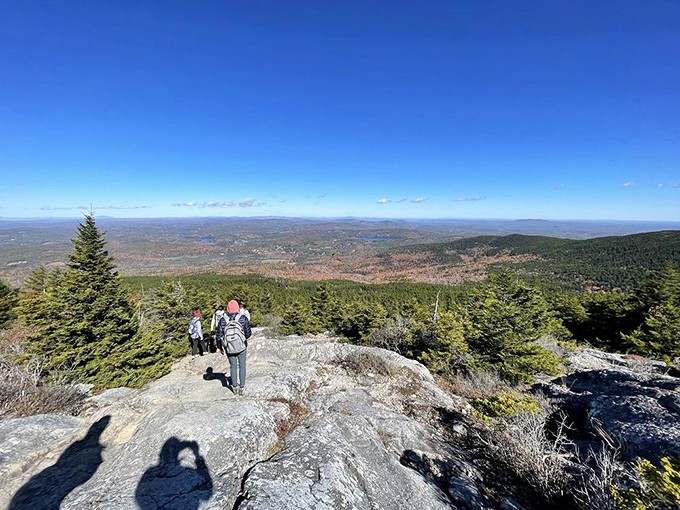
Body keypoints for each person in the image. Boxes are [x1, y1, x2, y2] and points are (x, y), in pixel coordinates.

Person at [217, 299, 251, 395]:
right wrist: (242, 339)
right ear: (238, 308)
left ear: (228, 309)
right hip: (241, 346)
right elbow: (248, 333)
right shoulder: (243, 318)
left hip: (229, 347)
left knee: (233, 366)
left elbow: (218, 335)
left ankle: (234, 387)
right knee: (242, 365)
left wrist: (220, 347)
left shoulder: (223, 320)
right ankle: (242, 387)